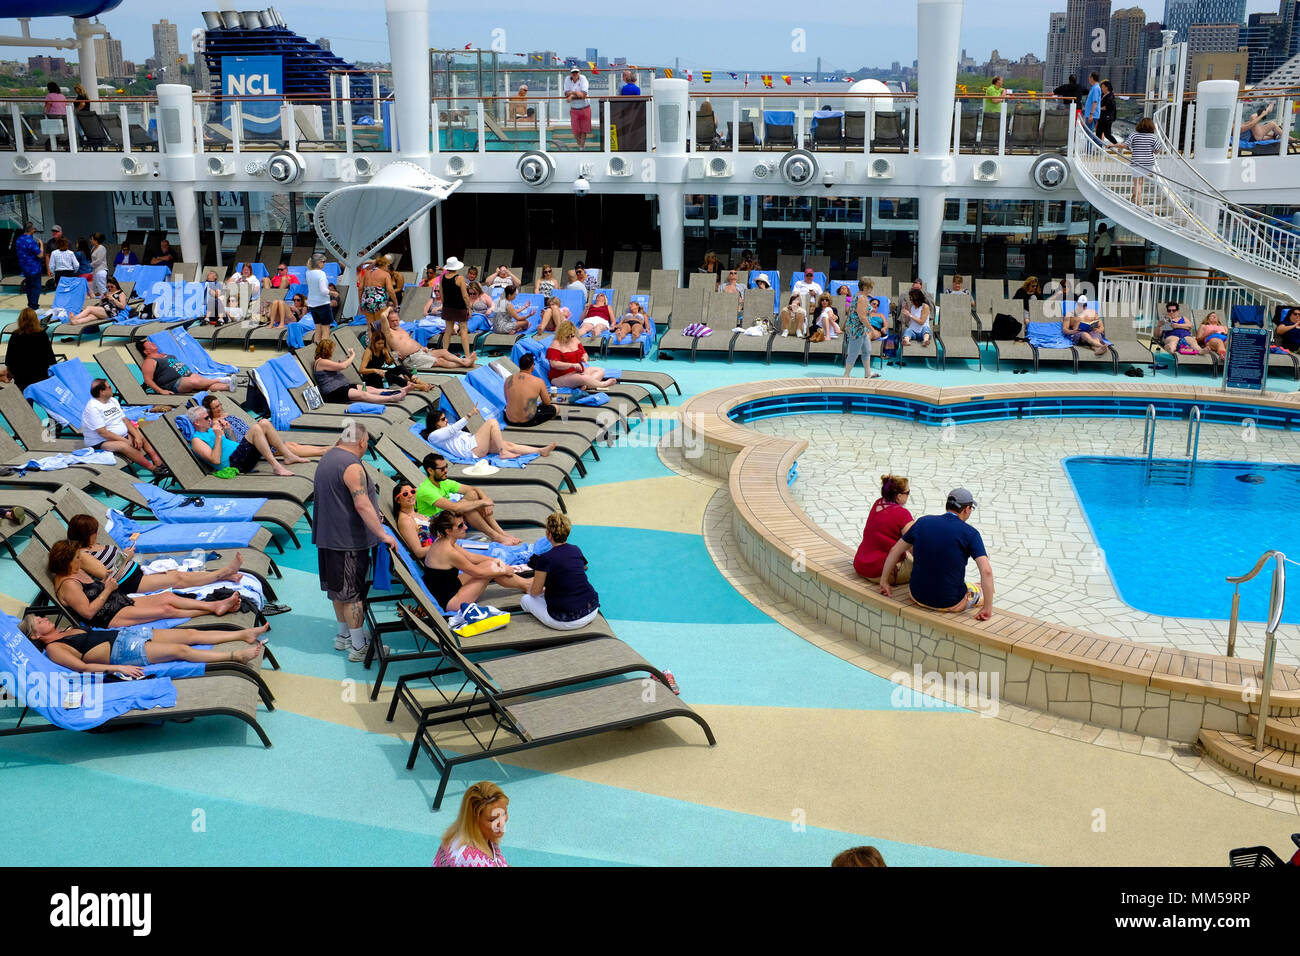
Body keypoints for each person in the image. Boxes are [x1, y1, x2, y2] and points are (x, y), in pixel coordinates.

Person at [314, 422, 398, 661]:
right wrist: (383, 534)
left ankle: (344, 636)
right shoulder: (352, 466)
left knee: (338, 591)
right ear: (362, 442)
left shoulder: (328, 458)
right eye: (367, 443)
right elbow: (361, 504)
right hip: (347, 543)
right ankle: (359, 646)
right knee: (353, 596)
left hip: (327, 537)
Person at [49, 539, 243, 630]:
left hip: (117, 599)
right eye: (77, 558)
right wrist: (107, 590)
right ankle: (214, 607)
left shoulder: (74, 570)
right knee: (166, 610)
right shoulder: (69, 584)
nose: (81, 560)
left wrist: (109, 584)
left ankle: (216, 604)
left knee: (168, 597)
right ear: (66, 562)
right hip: (109, 615)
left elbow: (98, 581)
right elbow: (88, 613)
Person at [880, 487, 994, 621]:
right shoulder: (971, 533)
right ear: (966, 509)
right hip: (950, 602)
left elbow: (895, 550)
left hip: (916, 595)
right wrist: (987, 608)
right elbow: (986, 571)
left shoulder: (923, 522)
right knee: (981, 589)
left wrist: (884, 581)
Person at [23, 613, 265, 674]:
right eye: (39, 622)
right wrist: (118, 668)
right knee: (180, 651)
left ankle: (243, 634)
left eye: (41, 617)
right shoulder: (54, 649)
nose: (44, 619)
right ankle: (235, 656)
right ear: (35, 636)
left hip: (126, 634)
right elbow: (82, 667)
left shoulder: (66, 630)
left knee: (190, 633)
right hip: (122, 651)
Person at [421, 511, 530, 612]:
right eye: (460, 526)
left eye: (464, 523)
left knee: (492, 565)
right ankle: (527, 585)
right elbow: (478, 573)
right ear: (448, 530)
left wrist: (497, 561)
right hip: (451, 602)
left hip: (449, 587)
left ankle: (526, 584)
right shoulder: (449, 552)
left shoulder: (443, 540)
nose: (465, 527)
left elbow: (471, 557)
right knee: (492, 569)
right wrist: (504, 570)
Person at [416, 453, 522, 546]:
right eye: (442, 469)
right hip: (435, 524)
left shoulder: (443, 482)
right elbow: (455, 507)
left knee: (473, 495)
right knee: (466, 508)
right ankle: (496, 536)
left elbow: (474, 489)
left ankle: (501, 533)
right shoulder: (425, 489)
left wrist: (486, 500)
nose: (446, 471)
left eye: (446, 467)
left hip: (445, 516)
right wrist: (482, 502)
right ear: (430, 470)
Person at [186, 403, 317, 478]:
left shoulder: (210, 430)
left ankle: (288, 456)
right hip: (234, 464)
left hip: (240, 456)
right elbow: (215, 460)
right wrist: (219, 437)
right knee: (255, 428)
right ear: (197, 422)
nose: (210, 419)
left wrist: (228, 430)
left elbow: (233, 442)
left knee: (264, 422)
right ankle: (276, 466)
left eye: (209, 417)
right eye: (206, 418)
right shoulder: (197, 440)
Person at [521, 511, 601, 630]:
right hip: (592, 608)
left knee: (526, 600)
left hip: (566, 619)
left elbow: (535, 592)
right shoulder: (575, 549)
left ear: (548, 534)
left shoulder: (545, 558)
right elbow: (582, 567)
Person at [202, 395, 327, 463]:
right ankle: (324, 451)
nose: (219, 408)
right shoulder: (216, 425)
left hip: (256, 437)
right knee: (290, 448)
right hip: (248, 447)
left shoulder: (226, 415)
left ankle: (325, 449)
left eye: (219, 405)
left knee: (291, 444)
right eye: (215, 407)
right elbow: (231, 445)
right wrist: (228, 429)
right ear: (209, 411)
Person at [80, 378, 167, 474]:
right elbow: (103, 433)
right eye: (109, 387)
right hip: (100, 442)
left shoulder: (113, 401)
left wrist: (137, 436)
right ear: (102, 392)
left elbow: (125, 420)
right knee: (123, 446)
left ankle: (158, 463)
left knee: (141, 434)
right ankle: (153, 468)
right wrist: (125, 441)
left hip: (120, 436)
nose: (112, 388)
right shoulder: (93, 408)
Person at [422, 407, 553, 462]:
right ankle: (502, 453)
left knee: (508, 444)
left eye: (445, 418)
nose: (446, 420)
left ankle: (540, 451)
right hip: (471, 449)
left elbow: (452, 429)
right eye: (443, 419)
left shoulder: (445, 428)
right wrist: (470, 414)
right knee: (491, 422)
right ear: (435, 423)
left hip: (473, 444)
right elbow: (453, 430)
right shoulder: (434, 436)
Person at [311, 338, 411, 406]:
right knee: (363, 395)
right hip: (334, 393)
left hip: (343, 387)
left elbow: (339, 367)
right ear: (327, 350)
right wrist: (353, 355)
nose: (332, 352)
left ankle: (397, 392)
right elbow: (343, 366)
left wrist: (345, 361)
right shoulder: (321, 362)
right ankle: (391, 398)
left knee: (370, 389)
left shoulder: (324, 361)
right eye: (332, 350)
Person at [433, 781, 510, 867]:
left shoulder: (476, 835)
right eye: (492, 820)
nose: (502, 823)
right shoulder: (471, 860)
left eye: (504, 813)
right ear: (474, 820)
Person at [854, 475, 914, 583]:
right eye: (908, 492)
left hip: (861, 564)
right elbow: (914, 547)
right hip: (879, 571)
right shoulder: (902, 514)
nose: (909, 495)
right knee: (924, 569)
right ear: (899, 496)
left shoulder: (878, 503)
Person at [384, 306, 476, 369]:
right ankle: (464, 364)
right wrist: (389, 308)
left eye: (397, 320)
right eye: (392, 321)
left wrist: (422, 347)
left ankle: (463, 361)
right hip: (411, 359)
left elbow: (410, 341)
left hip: (420, 352)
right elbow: (382, 316)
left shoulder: (400, 329)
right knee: (440, 361)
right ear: (387, 322)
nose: (395, 323)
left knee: (443, 352)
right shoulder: (388, 332)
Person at [358, 324, 434, 391]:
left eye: (382, 343)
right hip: (371, 380)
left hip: (381, 375)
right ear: (374, 343)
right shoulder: (369, 351)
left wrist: (394, 357)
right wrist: (375, 370)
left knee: (400, 368)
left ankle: (421, 383)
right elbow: (361, 370)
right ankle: (418, 386)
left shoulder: (383, 349)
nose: (381, 345)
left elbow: (388, 362)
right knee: (391, 377)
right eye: (378, 344)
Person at [138, 340, 231, 395]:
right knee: (194, 381)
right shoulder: (149, 361)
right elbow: (147, 380)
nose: (152, 343)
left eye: (151, 342)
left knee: (204, 386)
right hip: (174, 383)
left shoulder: (163, 354)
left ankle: (228, 387)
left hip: (187, 375)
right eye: (149, 344)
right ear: (146, 351)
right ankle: (219, 380)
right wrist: (161, 391)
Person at [546, 320, 616, 389]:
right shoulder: (555, 344)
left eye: (572, 336)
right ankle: (602, 384)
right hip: (560, 376)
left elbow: (584, 353)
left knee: (600, 371)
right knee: (582, 378)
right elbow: (554, 364)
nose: (570, 338)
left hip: (578, 372)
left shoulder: (575, 340)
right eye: (567, 336)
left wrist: (584, 358)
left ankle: (586, 385)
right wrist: (571, 365)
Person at [1109, 117, 1159, 205]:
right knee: (1140, 180)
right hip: (1148, 163)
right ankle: (1134, 195)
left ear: (1140, 125)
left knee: (1137, 182)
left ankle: (1138, 201)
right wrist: (1150, 151)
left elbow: (1124, 145)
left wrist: (1112, 145)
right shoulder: (1153, 137)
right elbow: (1157, 150)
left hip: (1137, 162)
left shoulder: (1134, 135)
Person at [5, 308, 56, 392]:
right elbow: (50, 355)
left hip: (21, 375)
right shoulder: (42, 334)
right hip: (39, 374)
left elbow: (9, 357)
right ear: (36, 320)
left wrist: (9, 371)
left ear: (20, 320)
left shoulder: (15, 335)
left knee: (24, 392)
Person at [504, 353, 557, 427]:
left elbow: (508, 400)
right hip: (528, 421)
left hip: (509, 420)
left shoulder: (508, 379)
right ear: (532, 366)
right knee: (556, 408)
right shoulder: (539, 381)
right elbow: (547, 403)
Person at [844, 280, 882, 379]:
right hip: (857, 330)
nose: (871, 289)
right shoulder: (862, 299)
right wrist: (872, 330)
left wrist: (867, 296)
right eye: (870, 287)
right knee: (853, 353)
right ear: (865, 287)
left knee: (867, 350)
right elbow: (862, 317)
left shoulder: (858, 295)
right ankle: (846, 375)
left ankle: (868, 373)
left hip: (862, 330)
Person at [439, 257, 474, 358]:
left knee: (448, 331)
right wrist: (469, 308)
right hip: (460, 307)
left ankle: (444, 353)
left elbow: (441, 294)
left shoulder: (442, 278)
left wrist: (445, 305)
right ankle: (467, 355)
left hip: (447, 307)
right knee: (463, 331)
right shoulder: (459, 278)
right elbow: (465, 295)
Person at [359, 254, 395, 329]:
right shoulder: (385, 274)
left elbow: (360, 288)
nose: (388, 268)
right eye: (387, 266)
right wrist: (396, 303)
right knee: (381, 327)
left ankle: (371, 337)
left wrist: (360, 303)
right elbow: (390, 290)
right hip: (379, 300)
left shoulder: (366, 273)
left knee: (371, 328)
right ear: (385, 265)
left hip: (366, 300)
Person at [304, 252, 333, 343]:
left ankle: (316, 349)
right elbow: (324, 291)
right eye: (324, 262)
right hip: (322, 304)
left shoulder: (308, 273)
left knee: (318, 329)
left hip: (312, 304)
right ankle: (324, 350)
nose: (325, 264)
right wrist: (333, 293)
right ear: (319, 262)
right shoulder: (321, 274)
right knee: (326, 330)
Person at [564, 66, 592, 149]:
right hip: (574, 108)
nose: (575, 74)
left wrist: (572, 95)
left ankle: (581, 147)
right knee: (575, 130)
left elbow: (583, 95)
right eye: (573, 72)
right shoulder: (567, 79)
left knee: (584, 130)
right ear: (570, 73)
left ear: (579, 73)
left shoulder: (583, 78)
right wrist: (576, 93)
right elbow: (566, 94)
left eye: (576, 72)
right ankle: (580, 146)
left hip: (585, 107)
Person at [16, 222, 42, 310]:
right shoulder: (31, 241)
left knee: (29, 287)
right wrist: (41, 245)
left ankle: (30, 304)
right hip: (34, 268)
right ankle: (34, 306)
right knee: (36, 287)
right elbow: (40, 255)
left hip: (24, 267)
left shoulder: (19, 239)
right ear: (31, 230)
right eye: (33, 229)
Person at [1096, 80, 1118, 145]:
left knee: (1107, 134)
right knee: (1098, 132)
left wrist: (1099, 108)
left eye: (1102, 87)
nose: (1101, 88)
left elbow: (1109, 106)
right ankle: (1099, 147)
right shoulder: (1103, 95)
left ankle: (1117, 145)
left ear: (1106, 87)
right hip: (1102, 117)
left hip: (1107, 118)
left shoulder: (1110, 96)